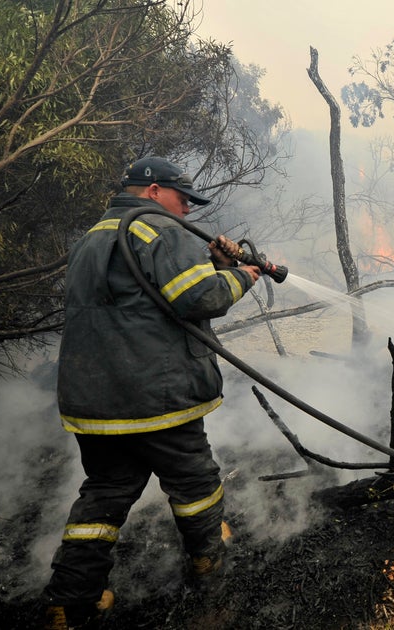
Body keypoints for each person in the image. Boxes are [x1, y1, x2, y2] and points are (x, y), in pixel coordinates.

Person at [43, 157, 261, 629]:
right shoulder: (157, 228)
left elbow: (143, 300)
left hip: (95, 401)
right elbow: (200, 299)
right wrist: (242, 276)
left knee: (103, 494)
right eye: (182, 199)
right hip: (154, 397)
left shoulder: (93, 238)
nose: (186, 209)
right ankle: (208, 567)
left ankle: (70, 603)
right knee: (196, 485)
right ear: (154, 190)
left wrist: (214, 264)